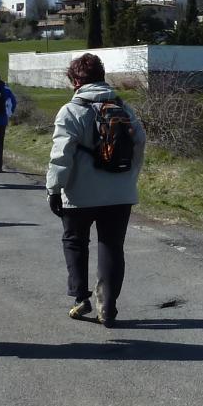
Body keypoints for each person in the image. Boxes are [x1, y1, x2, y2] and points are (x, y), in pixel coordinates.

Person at [46, 53, 146, 327]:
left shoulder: (70, 110)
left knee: (75, 241)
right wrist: (129, 178)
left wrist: (54, 188)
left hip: (80, 194)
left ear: (76, 80)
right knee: (112, 247)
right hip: (120, 193)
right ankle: (108, 308)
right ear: (101, 76)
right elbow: (139, 143)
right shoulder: (124, 107)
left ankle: (80, 298)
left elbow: (61, 154)